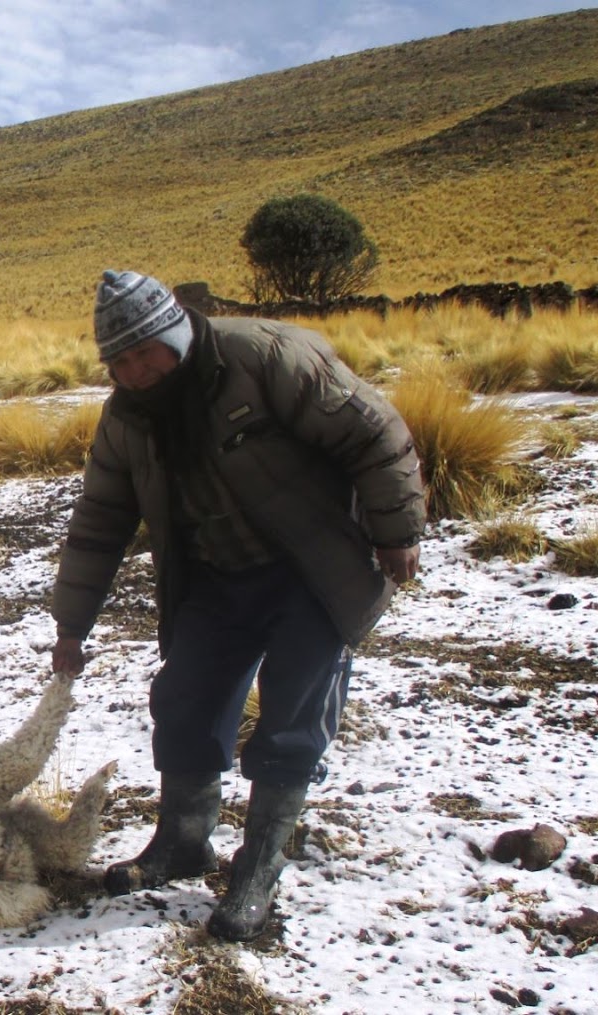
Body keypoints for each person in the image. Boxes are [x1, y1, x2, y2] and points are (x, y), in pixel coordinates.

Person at [51, 269, 425, 941]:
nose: (135, 372)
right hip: (217, 578)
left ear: (173, 332)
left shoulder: (264, 357)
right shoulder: (127, 418)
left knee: (290, 716)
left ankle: (260, 866)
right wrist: (71, 624)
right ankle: (186, 841)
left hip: (312, 566)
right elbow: (99, 522)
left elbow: (374, 432)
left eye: (145, 353)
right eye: (119, 361)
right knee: (184, 698)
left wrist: (396, 530)